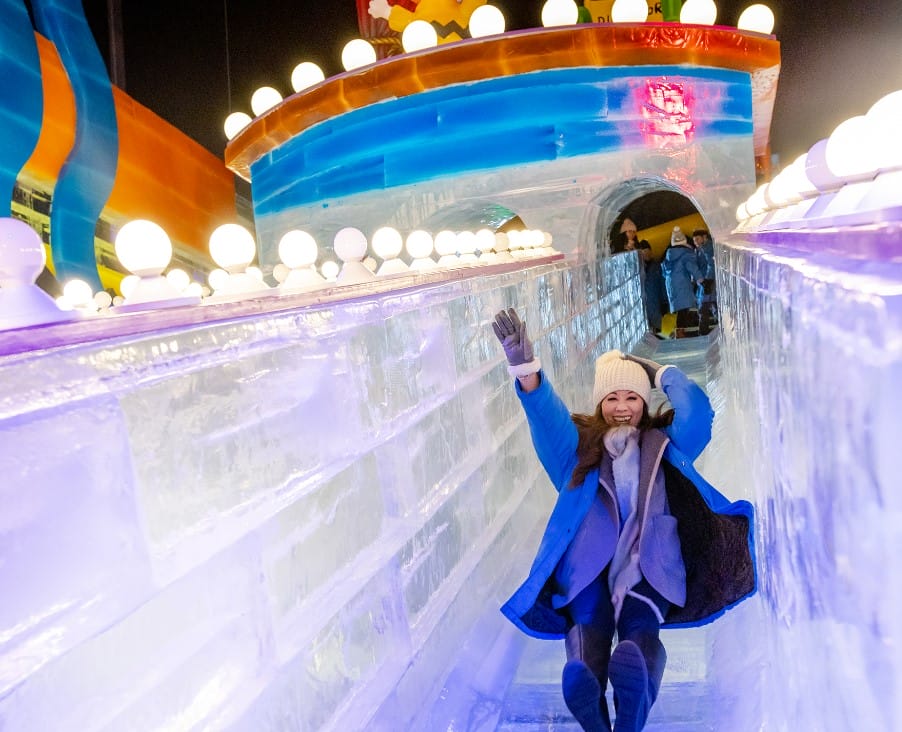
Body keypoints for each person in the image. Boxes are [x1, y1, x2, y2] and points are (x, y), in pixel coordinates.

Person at [490, 308, 755, 732]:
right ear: (599, 403)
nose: (621, 407)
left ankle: (633, 697)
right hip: (588, 566)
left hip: (650, 564)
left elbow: (699, 414)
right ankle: (587, 688)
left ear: (644, 402)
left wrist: (659, 372)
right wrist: (526, 370)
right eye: (611, 398)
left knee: (639, 628)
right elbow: (546, 416)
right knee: (589, 624)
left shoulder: (665, 443)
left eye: (631, 397)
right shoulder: (575, 450)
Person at [661, 226, 703, 338]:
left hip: (672, 290)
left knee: (680, 313)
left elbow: (664, 274)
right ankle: (685, 335)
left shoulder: (668, 256)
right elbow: (692, 267)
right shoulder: (685, 254)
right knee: (687, 313)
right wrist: (700, 279)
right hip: (683, 287)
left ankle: (680, 334)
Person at [635, 240, 667, 338]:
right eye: (644, 252)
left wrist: (665, 302)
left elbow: (663, 285)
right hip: (643, 307)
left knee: (661, 328)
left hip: (655, 304)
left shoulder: (657, 267)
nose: (647, 254)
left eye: (648, 251)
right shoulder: (637, 270)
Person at [692, 229, 717, 335]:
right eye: (694, 240)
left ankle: (703, 332)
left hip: (708, 282)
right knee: (710, 306)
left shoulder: (707, 248)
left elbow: (711, 264)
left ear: (704, 237)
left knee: (704, 307)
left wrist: (708, 279)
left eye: (697, 239)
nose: (696, 242)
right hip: (704, 283)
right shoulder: (700, 249)